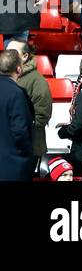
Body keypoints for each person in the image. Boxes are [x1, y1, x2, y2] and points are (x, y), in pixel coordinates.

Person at [0, 49, 34, 182]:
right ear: (19, 69)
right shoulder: (16, 94)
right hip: (13, 166)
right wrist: (27, 153)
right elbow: (20, 131)